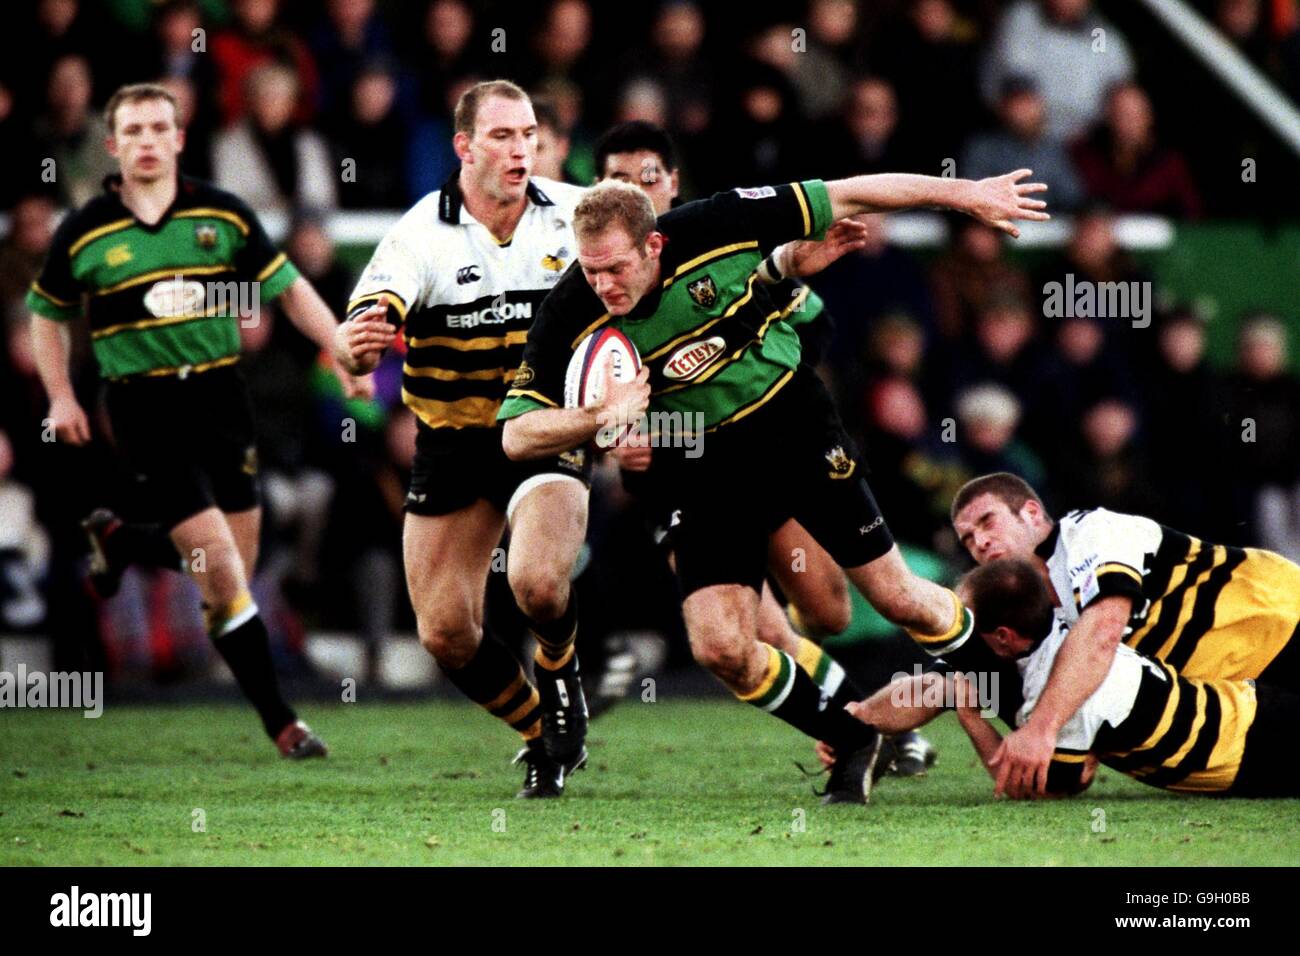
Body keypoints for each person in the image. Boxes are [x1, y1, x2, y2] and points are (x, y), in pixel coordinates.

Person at [497, 167, 1049, 802]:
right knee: (721, 648)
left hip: (792, 423)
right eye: (590, 271)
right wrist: (599, 417)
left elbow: (850, 192)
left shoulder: (714, 223)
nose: (603, 285)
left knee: (893, 598)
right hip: (702, 463)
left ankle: (1024, 704)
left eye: (615, 269)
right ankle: (851, 736)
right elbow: (516, 434)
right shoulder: (572, 308)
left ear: (654, 245)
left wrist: (965, 193)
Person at [26, 83, 369, 758]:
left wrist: (340, 346)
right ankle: (283, 723)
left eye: (160, 127)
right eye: (134, 130)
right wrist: (61, 396)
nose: (148, 140)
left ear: (180, 139)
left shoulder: (223, 216)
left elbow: (289, 288)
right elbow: (46, 315)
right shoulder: (86, 230)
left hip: (220, 399)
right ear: (113, 145)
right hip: (143, 406)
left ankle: (122, 540)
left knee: (234, 564)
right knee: (219, 573)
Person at [592, 119, 937, 775]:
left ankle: (874, 719)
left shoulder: (722, 244)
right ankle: (868, 732)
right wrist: (618, 439)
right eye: (615, 179)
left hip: (766, 451)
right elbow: (583, 398)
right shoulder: (594, 277)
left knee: (829, 610)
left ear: (673, 184)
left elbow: (815, 323)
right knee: (750, 630)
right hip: (684, 485)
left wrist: (757, 382)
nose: (632, 189)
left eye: (646, 178)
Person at [333, 80, 594, 799]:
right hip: (454, 440)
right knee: (445, 633)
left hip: (543, 429)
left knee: (537, 581)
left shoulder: (576, 214)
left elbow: (657, 254)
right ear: (464, 147)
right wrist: (360, 344)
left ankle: (564, 678)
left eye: (529, 134)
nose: (521, 149)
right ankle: (544, 733)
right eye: (504, 136)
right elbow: (366, 323)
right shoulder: (420, 234)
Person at [946, 472, 1300, 797]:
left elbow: (1104, 629)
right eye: (968, 539)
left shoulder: (1092, 533)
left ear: (1032, 512)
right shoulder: (1033, 616)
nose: (980, 541)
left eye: (987, 521)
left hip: (1280, 615)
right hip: (1235, 682)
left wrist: (1043, 726)